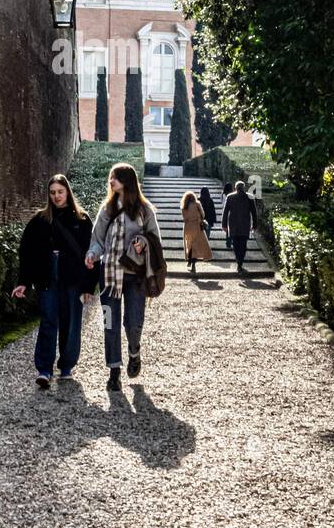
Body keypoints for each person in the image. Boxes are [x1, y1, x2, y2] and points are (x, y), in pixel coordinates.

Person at [12, 174, 97, 390]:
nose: (56, 196)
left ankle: (67, 366)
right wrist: (23, 281)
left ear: (67, 191)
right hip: (47, 277)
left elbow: (91, 254)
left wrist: (89, 286)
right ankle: (44, 369)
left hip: (73, 279)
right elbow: (26, 251)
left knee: (71, 322)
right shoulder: (40, 220)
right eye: (52, 193)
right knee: (49, 320)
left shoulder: (82, 220)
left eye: (60, 191)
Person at [85, 164, 163, 391]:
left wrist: (143, 243)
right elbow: (97, 240)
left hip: (136, 276)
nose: (111, 181)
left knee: (134, 322)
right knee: (110, 323)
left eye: (116, 178)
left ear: (127, 181)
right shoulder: (106, 210)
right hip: (109, 276)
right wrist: (91, 255)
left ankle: (134, 352)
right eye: (111, 177)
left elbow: (155, 239)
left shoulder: (144, 210)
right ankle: (114, 371)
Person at [221, 179, 258, 272]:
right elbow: (254, 213)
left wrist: (224, 225)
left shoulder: (229, 197)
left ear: (235, 188)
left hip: (233, 225)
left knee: (236, 245)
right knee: (243, 245)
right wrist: (255, 225)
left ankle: (238, 262)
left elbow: (225, 213)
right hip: (245, 225)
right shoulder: (250, 197)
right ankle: (240, 262)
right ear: (244, 187)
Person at [181, 190, 212, 275]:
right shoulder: (197, 204)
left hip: (188, 227)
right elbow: (203, 214)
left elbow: (184, 218)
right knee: (196, 244)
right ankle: (193, 265)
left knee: (190, 244)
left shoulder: (184, 206)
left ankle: (190, 260)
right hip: (197, 226)